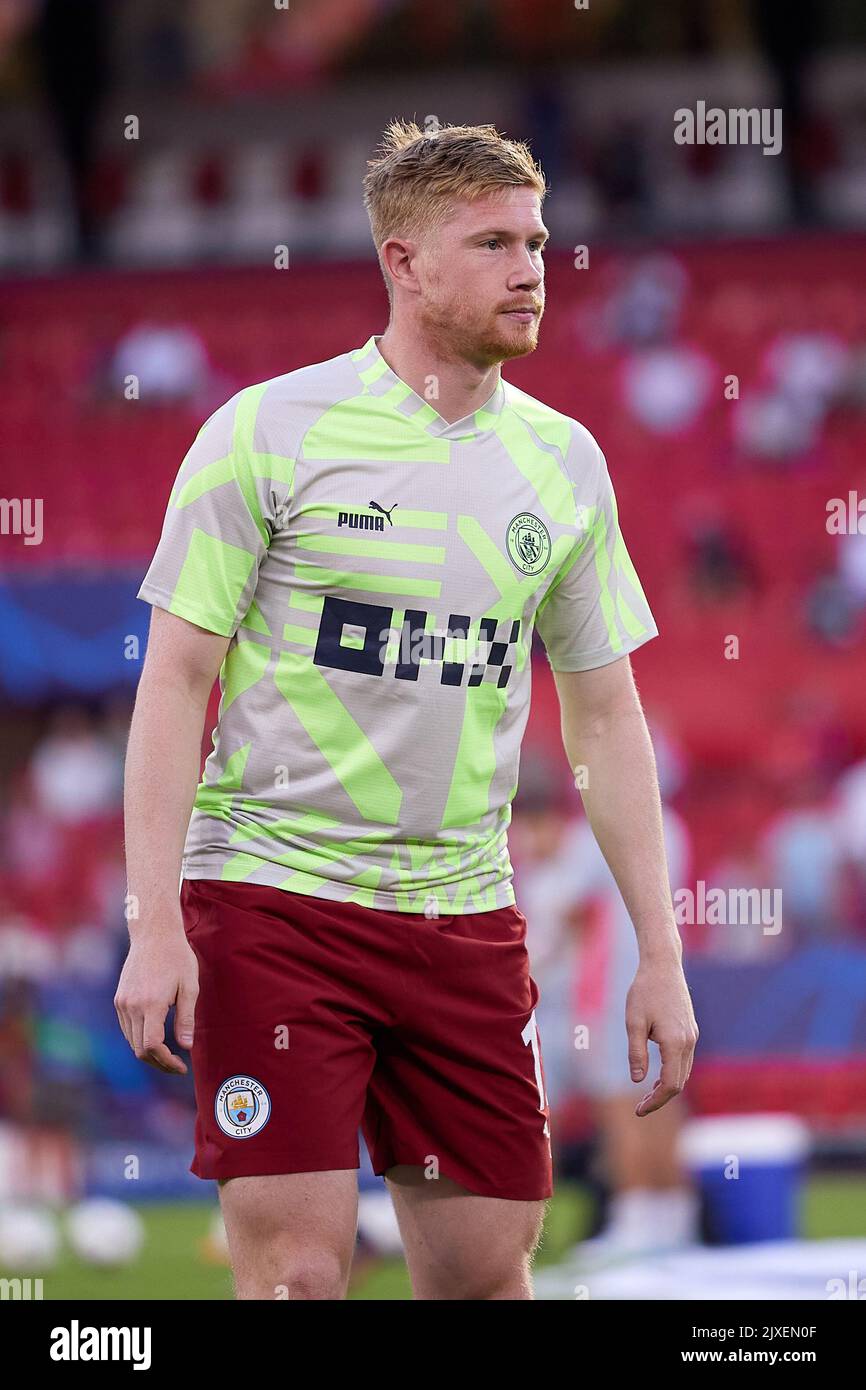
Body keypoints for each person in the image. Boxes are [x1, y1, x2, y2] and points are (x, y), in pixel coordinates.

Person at [116, 119, 698, 1301]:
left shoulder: (564, 464)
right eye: (492, 242)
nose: (531, 267)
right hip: (277, 900)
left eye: (535, 240)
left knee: (486, 1275)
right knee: (298, 1274)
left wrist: (660, 948)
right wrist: (153, 919)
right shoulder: (265, 432)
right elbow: (175, 679)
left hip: (462, 916)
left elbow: (602, 719)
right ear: (403, 262)